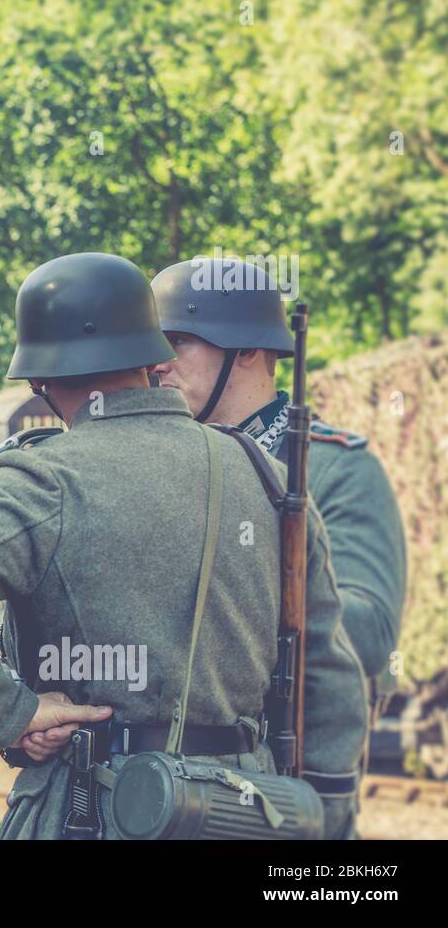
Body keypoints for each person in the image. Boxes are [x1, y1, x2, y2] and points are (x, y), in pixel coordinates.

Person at [0, 252, 369, 839]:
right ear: (154, 359)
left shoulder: (43, 477)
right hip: (245, 813)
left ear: (40, 379)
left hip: (90, 806)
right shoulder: (264, 474)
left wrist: (12, 714)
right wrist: (325, 817)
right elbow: (326, 670)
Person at [150, 257, 407, 700]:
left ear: (246, 349)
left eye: (178, 341)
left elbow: (369, 634)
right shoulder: (156, 464)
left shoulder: (335, 468)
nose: (158, 364)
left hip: (275, 754)